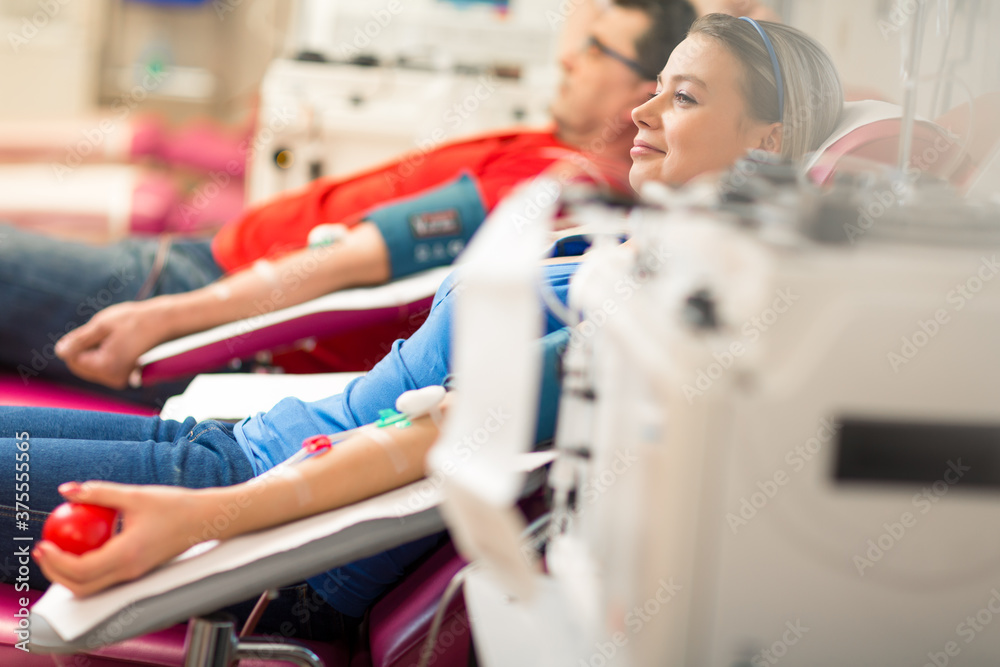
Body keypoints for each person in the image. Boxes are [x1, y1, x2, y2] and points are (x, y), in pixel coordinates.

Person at [5, 12, 843, 642]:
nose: (645, 110)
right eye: (654, 83)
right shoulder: (628, 247)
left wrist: (206, 516)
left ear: (768, 139)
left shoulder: (652, 298)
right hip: (249, 446)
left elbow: (437, 433)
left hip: (253, 490)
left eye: (683, 96)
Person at [0, 0, 696, 400]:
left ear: (642, 91)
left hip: (192, 292)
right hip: (198, 265)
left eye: (597, 50)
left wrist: (166, 317)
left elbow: (350, 262)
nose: (570, 59)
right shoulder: (548, 148)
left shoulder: (563, 189)